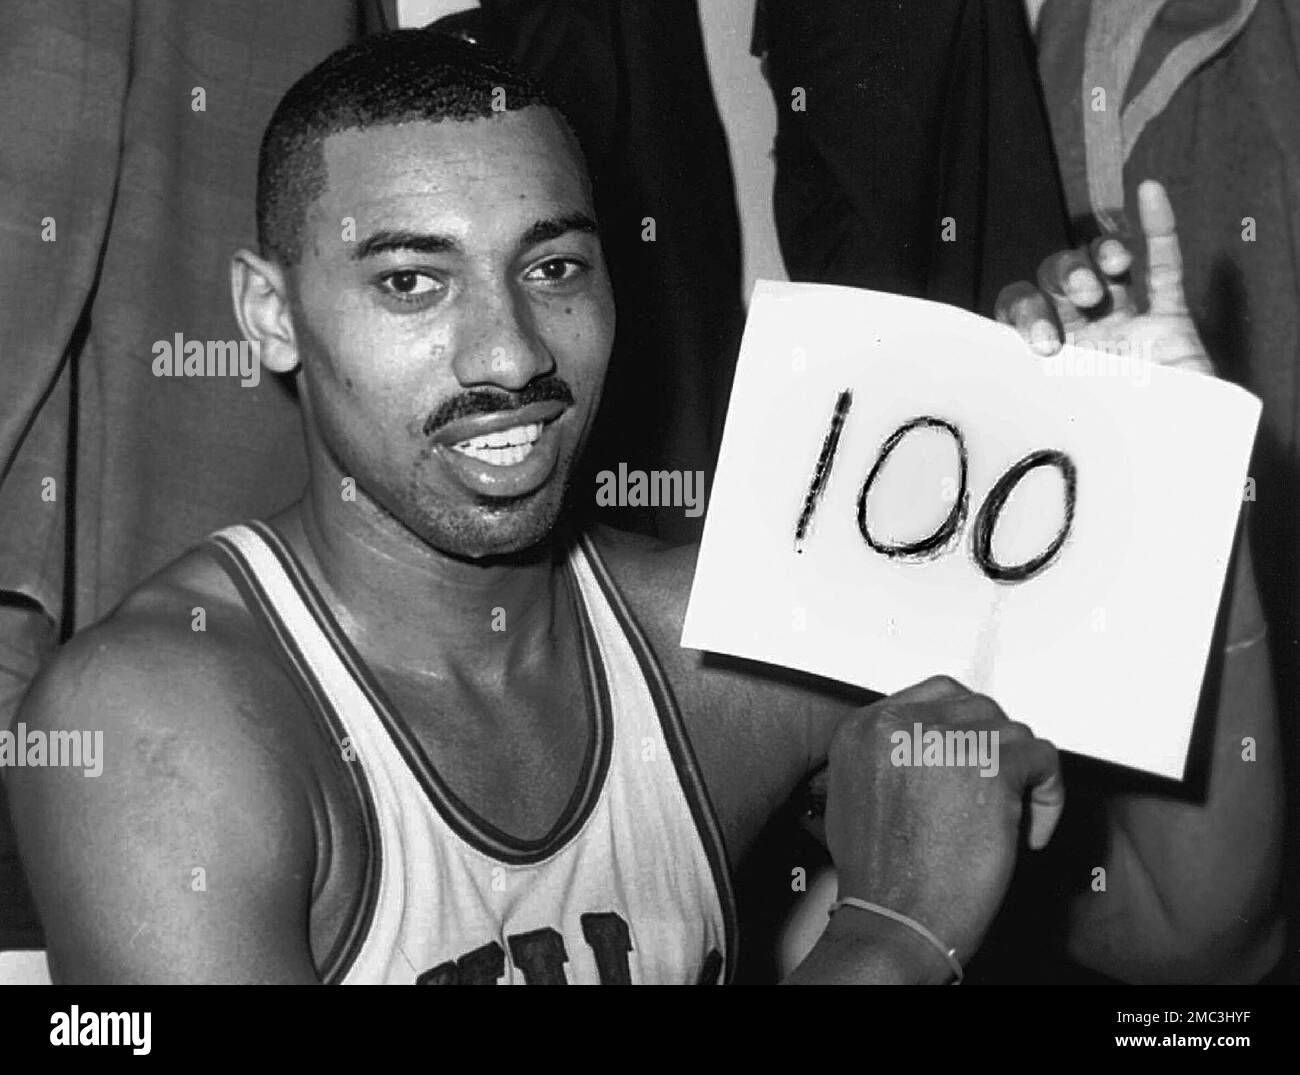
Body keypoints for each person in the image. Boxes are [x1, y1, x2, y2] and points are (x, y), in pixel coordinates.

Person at [6, 29, 1281, 984]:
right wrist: (890, 941)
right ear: (270, 315)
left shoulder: (721, 631)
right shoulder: (160, 723)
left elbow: (1199, 939)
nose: (507, 354)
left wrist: (1174, 501)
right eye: (410, 282)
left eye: (553, 265)